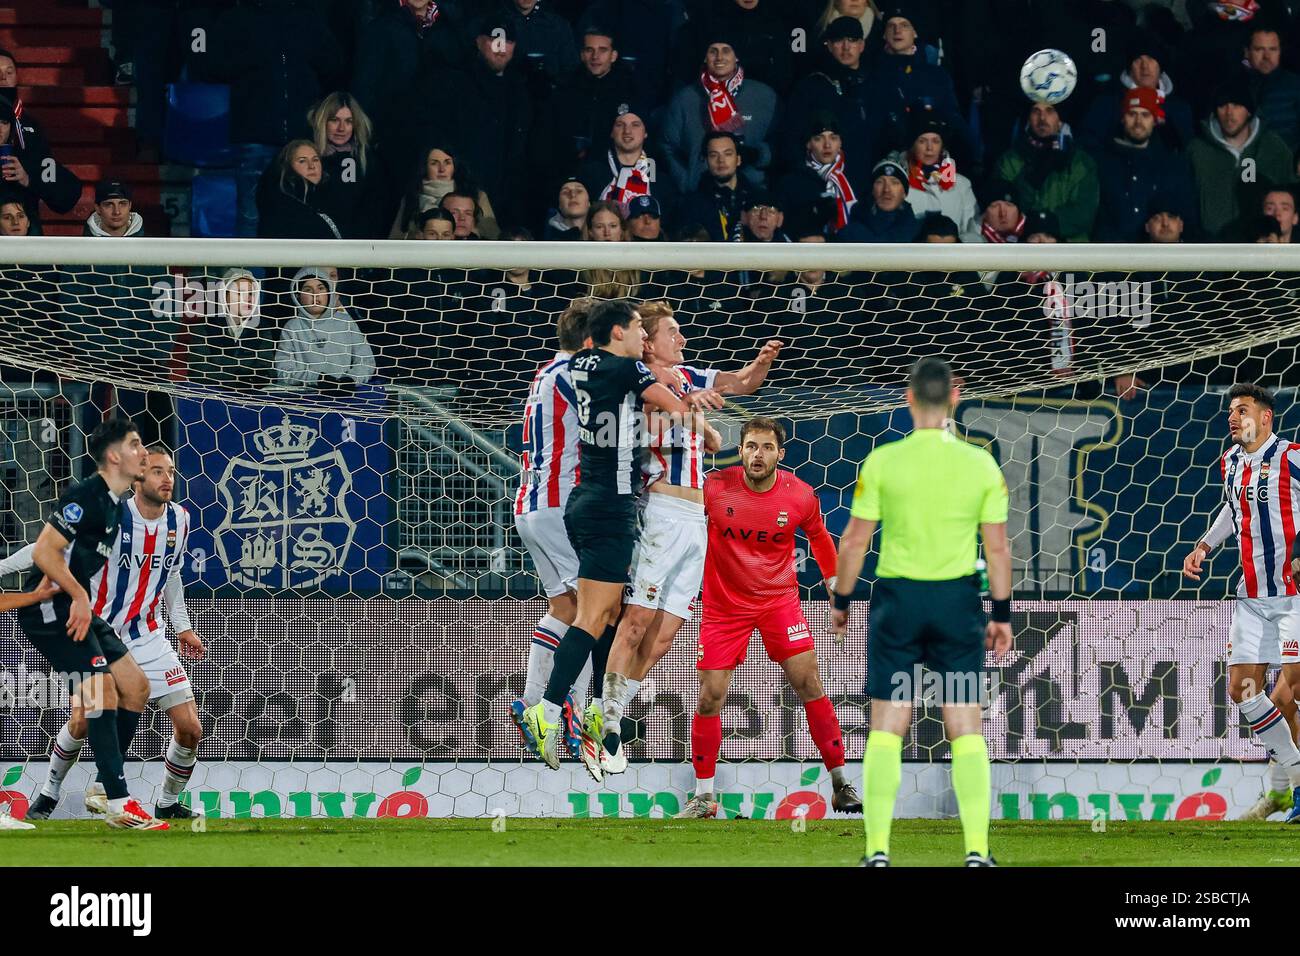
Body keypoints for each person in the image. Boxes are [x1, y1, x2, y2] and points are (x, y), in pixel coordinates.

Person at [520, 299, 723, 779]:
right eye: (637, 329)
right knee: (596, 616)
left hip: (562, 501)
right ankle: (558, 711)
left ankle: (577, 712)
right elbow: (673, 405)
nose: (644, 339)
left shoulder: (568, 367)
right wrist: (690, 405)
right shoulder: (616, 368)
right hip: (598, 504)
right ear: (613, 334)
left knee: (582, 610)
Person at [831, 357, 1012, 867]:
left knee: (887, 726)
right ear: (955, 397)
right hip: (956, 606)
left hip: (899, 606)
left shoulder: (884, 461)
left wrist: (842, 601)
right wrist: (1001, 614)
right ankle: (976, 851)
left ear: (908, 398)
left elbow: (855, 540)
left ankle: (877, 852)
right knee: (965, 727)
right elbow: (997, 550)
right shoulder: (980, 464)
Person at [598, 303, 782, 771]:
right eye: (671, 333)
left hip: (696, 518)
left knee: (666, 633)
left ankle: (617, 713)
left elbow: (739, 385)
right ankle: (604, 718)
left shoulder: (690, 375)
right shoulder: (636, 380)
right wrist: (692, 418)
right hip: (659, 511)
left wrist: (759, 365)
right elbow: (634, 431)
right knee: (638, 618)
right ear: (650, 341)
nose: (681, 340)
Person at [676, 415, 862, 817]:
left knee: (808, 682)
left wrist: (834, 584)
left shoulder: (799, 495)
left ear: (781, 453)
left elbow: (819, 538)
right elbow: (680, 527)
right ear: (739, 450)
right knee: (710, 696)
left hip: (778, 602)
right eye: (751, 447)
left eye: (766, 447)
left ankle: (841, 783)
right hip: (724, 607)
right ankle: (704, 797)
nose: (757, 455)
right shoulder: (714, 487)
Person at [25, 447, 203, 821]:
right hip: (101, 631)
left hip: (148, 634)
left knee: (190, 728)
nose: (167, 478)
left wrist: (183, 627)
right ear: (138, 478)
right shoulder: (113, 516)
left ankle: (167, 802)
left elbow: (171, 574)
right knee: (82, 720)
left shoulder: (181, 520)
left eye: (170, 471)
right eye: (157, 471)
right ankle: (48, 794)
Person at [15, 417, 168, 830]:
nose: (144, 452)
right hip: (50, 610)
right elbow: (45, 552)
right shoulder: (86, 495)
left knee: (135, 686)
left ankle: (104, 790)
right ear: (115, 456)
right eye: (136, 444)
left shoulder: (116, 504)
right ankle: (118, 801)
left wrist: (83, 598)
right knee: (100, 692)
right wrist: (80, 596)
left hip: (79, 607)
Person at [1181, 383, 1300, 824]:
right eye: (1231, 410)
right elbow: (1233, 510)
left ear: (1266, 417)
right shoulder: (1230, 461)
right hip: (1251, 597)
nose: (1233, 417)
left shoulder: (1290, 457)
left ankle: (1285, 790)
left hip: (1293, 597)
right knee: (1244, 691)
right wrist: (1204, 546)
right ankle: (1295, 782)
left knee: (1292, 691)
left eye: (1243, 410)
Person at [509, 300, 594, 751]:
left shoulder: (547, 371)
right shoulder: (574, 374)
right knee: (592, 612)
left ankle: (530, 704)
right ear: (588, 341)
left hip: (532, 503)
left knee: (565, 608)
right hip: (558, 505)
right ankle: (569, 710)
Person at [660, 33, 778, 193]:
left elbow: (780, 143)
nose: (719, 57)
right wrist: (686, 181)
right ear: (704, 58)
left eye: (726, 50)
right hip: (699, 196)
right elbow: (667, 146)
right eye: (713, 51)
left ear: (737, 57)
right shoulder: (684, 99)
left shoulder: (764, 96)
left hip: (752, 196)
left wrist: (758, 155)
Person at [1188, 78, 1294, 239]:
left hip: (1263, 247)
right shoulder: (1197, 150)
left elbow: (1290, 195)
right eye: (1223, 105)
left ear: (1249, 110)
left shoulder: (1273, 148)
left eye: (1237, 105)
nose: (1229, 113)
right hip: (1211, 247)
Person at [781, 16, 884, 180]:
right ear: (829, 45)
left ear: (862, 45)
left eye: (852, 40)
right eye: (838, 40)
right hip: (822, 179)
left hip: (870, 178)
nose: (846, 47)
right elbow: (791, 138)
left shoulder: (877, 85)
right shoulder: (810, 86)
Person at [1095, 88, 1198, 242]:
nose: (1138, 122)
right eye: (1132, 114)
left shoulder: (1173, 164)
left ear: (1155, 120)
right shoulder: (1103, 163)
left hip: (1161, 258)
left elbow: (1186, 215)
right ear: (1123, 118)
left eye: (1145, 115)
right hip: (1115, 258)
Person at [993, 101, 1101, 242]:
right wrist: (1034, 176)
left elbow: (1085, 212)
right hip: (1022, 245)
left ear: (1060, 119)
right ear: (1028, 117)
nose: (1042, 118)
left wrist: (1049, 226)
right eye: (1036, 111)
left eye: (1050, 111)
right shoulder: (1009, 160)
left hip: (1069, 249)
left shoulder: (1082, 162)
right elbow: (1002, 210)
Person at [274, 267, 376, 389]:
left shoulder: (346, 322)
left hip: (346, 396)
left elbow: (366, 362)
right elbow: (283, 369)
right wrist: (317, 379)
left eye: (320, 288)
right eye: (308, 290)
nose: (315, 294)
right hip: (305, 398)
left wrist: (350, 380)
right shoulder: (292, 327)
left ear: (329, 293)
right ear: (298, 296)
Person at [307, 92, 386, 239]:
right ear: (322, 122)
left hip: (356, 247)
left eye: (348, 121)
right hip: (316, 244)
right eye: (335, 120)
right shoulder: (306, 158)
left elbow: (375, 210)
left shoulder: (368, 160)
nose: (341, 128)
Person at [578, 107, 676, 213]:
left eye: (635, 125)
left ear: (645, 133)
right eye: (620, 125)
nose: (627, 131)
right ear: (611, 132)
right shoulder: (590, 174)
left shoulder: (661, 181)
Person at [390, 145, 499, 240]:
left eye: (447, 162)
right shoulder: (412, 197)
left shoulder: (476, 195)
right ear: (425, 167)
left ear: (455, 165)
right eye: (434, 163)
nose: (442, 169)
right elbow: (395, 238)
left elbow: (492, 233)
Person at [777, 112, 859, 237]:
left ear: (840, 142)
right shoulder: (790, 183)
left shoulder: (855, 179)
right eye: (818, 138)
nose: (827, 145)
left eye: (833, 138)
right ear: (808, 144)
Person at [901, 113, 978, 240]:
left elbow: (972, 232)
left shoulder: (961, 184)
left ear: (942, 146)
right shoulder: (898, 183)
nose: (929, 148)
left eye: (936, 141)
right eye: (922, 141)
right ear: (913, 145)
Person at [673, 130, 753, 241]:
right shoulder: (691, 205)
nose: (721, 160)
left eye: (728, 154)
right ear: (706, 161)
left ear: (738, 159)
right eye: (713, 155)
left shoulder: (757, 199)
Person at [256, 140, 344, 240]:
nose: (311, 166)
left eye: (315, 160)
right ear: (288, 167)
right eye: (302, 161)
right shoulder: (281, 210)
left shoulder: (331, 200)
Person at [1244, 25, 1300, 154]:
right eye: (1259, 49)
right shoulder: (1233, 87)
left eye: (1273, 49)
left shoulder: (1295, 85)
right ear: (1247, 52)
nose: (1267, 56)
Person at [835, 157, 917, 242]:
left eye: (894, 182)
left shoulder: (918, 235)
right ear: (873, 190)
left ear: (904, 192)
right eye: (880, 182)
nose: (887, 190)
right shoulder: (850, 233)